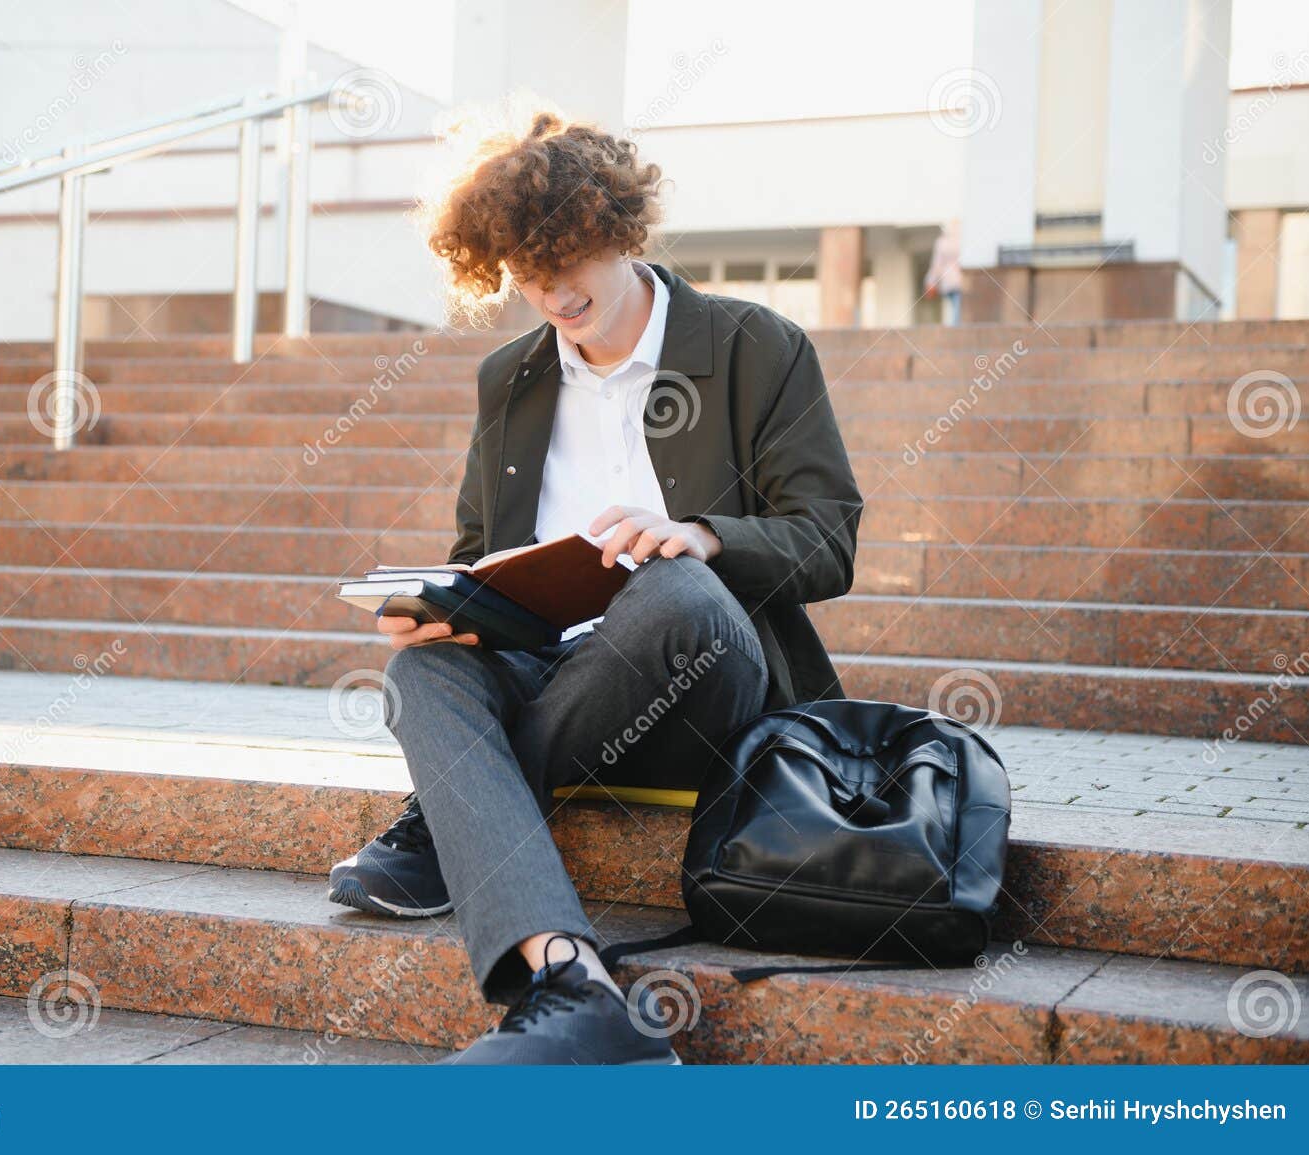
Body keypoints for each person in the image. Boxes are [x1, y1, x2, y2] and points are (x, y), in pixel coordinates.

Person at [326, 112, 863, 1064]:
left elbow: (828, 540)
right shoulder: (512, 379)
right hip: (557, 673)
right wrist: (454, 611)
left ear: (621, 230)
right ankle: (572, 984)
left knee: (672, 593)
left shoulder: (753, 346)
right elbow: (475, 547)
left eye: (563, 258)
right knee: (421, 676)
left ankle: (443, 814)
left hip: (702, 672)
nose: (543, 289)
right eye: (517, 269)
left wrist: (700, 536)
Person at [924, 218, 964, 325]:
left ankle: (956, 326)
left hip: (950, 281)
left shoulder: (943, 242)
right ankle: (956, 328)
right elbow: (937, 265)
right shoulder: (961, 240)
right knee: (958, 306)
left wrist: (930, 281)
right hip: (957, 280)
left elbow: (936, 265)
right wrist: (931, 282)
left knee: (957, 306)